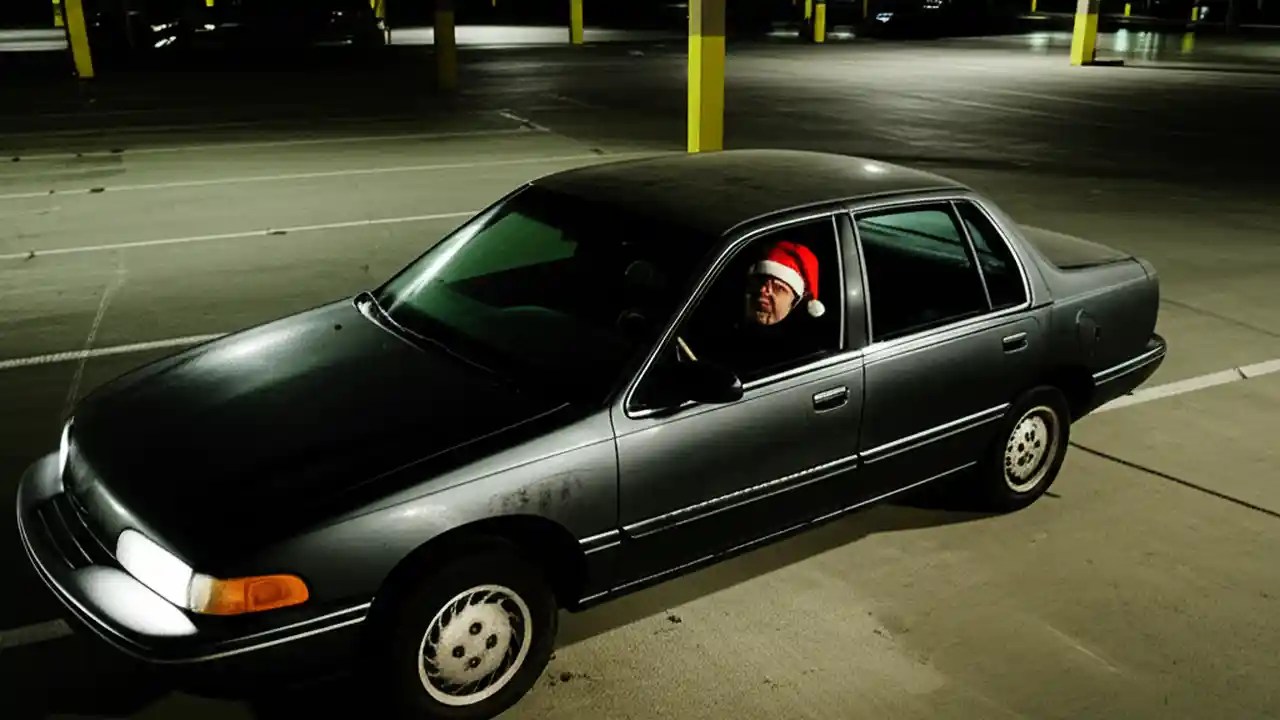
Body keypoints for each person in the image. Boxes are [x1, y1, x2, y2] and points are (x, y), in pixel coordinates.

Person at [696, 239, 827, 376]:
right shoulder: (717, 333)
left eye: (778, 288)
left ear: (795, 303)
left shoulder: (803, 357)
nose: (763, 290)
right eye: (760, 281)